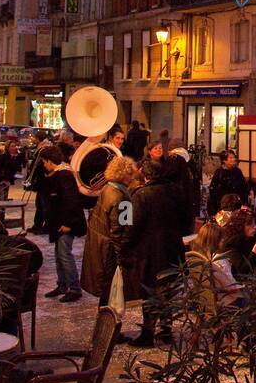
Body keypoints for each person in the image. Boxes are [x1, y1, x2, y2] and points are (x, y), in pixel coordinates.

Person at [121, 154, 188, 346]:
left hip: (150, 250)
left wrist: (125, 248)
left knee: (150, 291)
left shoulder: (141, 195)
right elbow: (185, 220)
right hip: (173, 247)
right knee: (168, 289)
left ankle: (148, 333)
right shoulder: (176, 191)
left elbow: (131, 226)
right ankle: (166, 330)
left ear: (146, 176)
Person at [80, 155, 141, 311]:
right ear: (124, 174)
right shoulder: (124, 197)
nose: (133, 176)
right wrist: (123, 256)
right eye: (130, 173)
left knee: (106, 293)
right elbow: (122, 229)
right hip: (110, 253)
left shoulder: (107, 188)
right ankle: (108, 329)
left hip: (100, 246)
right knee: (110, 293)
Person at [41, 145, 87, 302]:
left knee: (64, 254)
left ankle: (74, 288)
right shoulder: (58, 174)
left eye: (44, 162)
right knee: (59, 255)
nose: (44, 166)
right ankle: (62, 284)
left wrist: (68, 223)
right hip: (59, 222)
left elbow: (71, 201)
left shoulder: (64, 175)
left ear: (49, 161)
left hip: (66, 223)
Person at [207, 149, 248, 215]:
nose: (233, 159)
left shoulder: (237, 171)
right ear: (224, 160)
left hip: (236, 204)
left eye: (234, 157)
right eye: (231, 158)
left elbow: (243, 186)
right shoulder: (219, 172)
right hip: (223, 206)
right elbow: (213, 189)